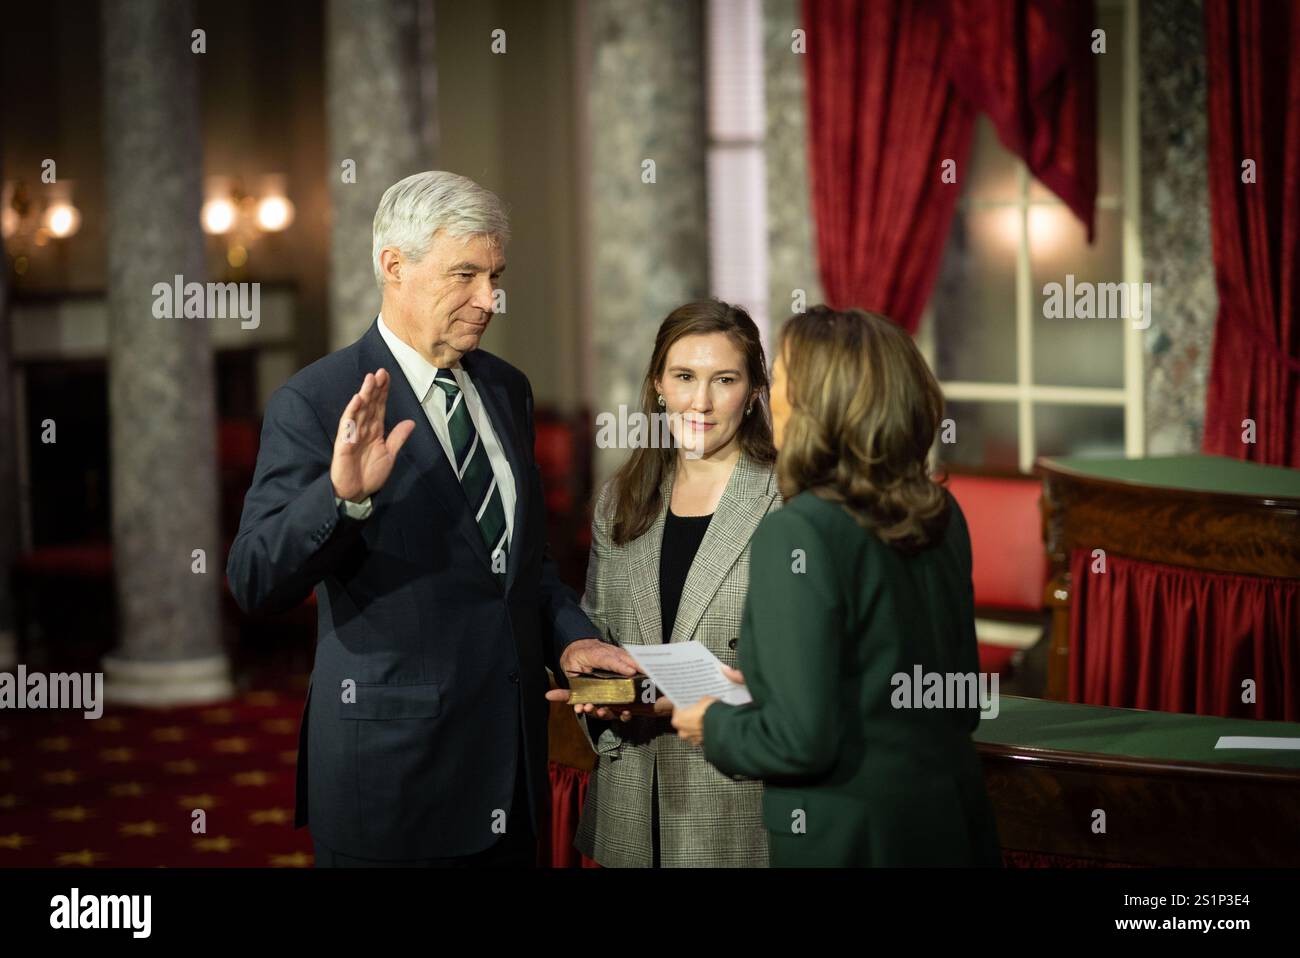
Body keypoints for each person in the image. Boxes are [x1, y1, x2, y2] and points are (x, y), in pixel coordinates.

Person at [227, 170, 636, 867]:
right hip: (393, 781)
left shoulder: (507, 388)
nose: (488, 300)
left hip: (510, 768)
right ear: (393, 265)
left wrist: (570, 639)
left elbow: (521, 564)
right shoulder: (317, 401)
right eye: (466, 275)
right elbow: (255, 580)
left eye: (495, 275)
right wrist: (341, 498)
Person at [672, 306, 1002, 867]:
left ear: (816, 405)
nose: (772, 394)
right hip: (950, 824)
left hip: (849, 841)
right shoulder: (942, 512)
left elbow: (798, 742)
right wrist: (779, 680)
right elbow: (956, 700)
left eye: (783, 377)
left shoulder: (798, 529)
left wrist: (714, 722)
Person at [547, 300, 780, 866]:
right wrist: (599, 692)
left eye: (723, 380)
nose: (700, 402)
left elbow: (813, 673)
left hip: (738, 803)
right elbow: (600, 632)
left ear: (752, 393)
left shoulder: (789, 500)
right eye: (684, 377)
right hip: (632, 806)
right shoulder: (619, 501)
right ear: (657, 387)